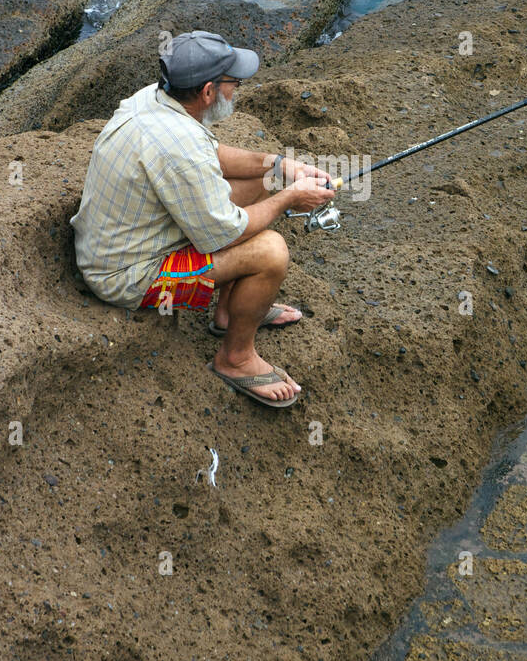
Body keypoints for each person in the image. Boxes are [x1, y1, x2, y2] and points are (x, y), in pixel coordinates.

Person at [70, 30, 334, 408]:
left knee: (263, 178)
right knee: (271, 252)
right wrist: (289, 198)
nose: (237, 89)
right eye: (233, 83)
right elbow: (227, 235)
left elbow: (211, 152)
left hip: (136, 239)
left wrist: (280, 166)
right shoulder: (179, 149)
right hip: (130, 278)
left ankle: (230, 313)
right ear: (208, 92)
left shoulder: (153, 99)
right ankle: (236, 359)